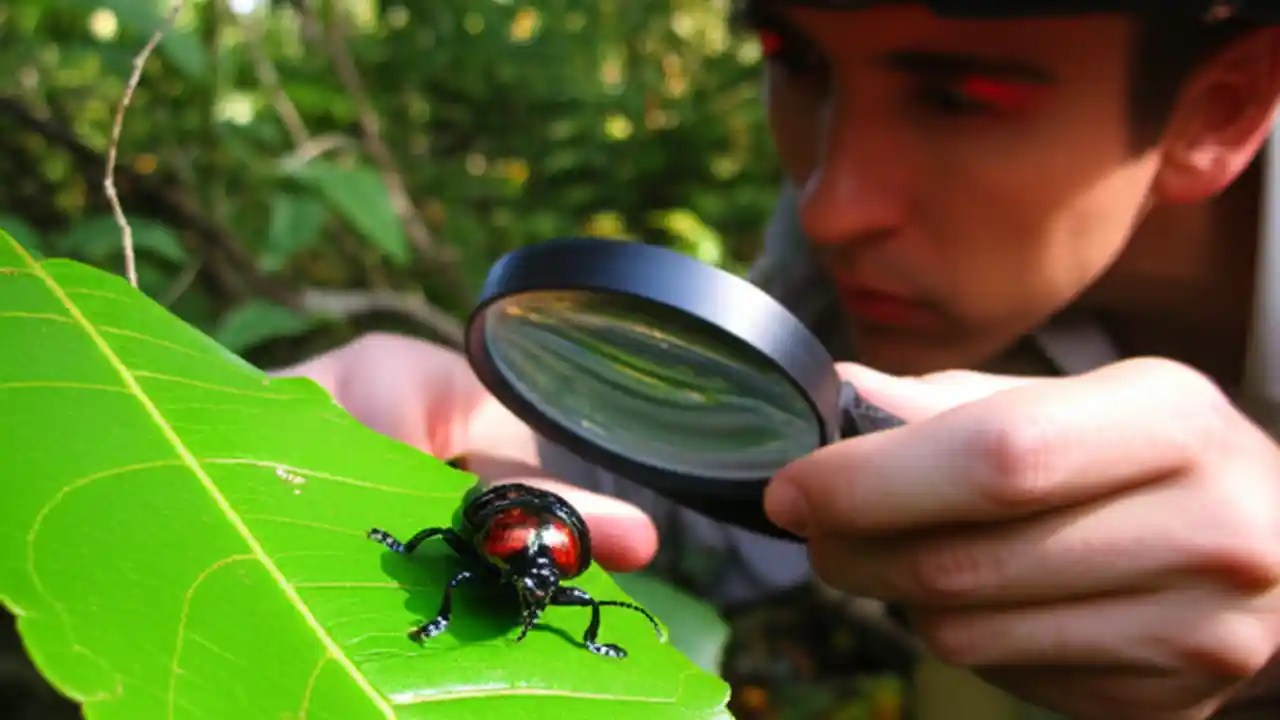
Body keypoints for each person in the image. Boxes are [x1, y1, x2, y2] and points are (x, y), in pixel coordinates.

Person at [272, 1, 1280, 718]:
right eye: (789, 56)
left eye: (962, 96)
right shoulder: (830, 272)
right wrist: (518, 437)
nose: (827, 204)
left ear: (1222, 108)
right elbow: (742, 504)